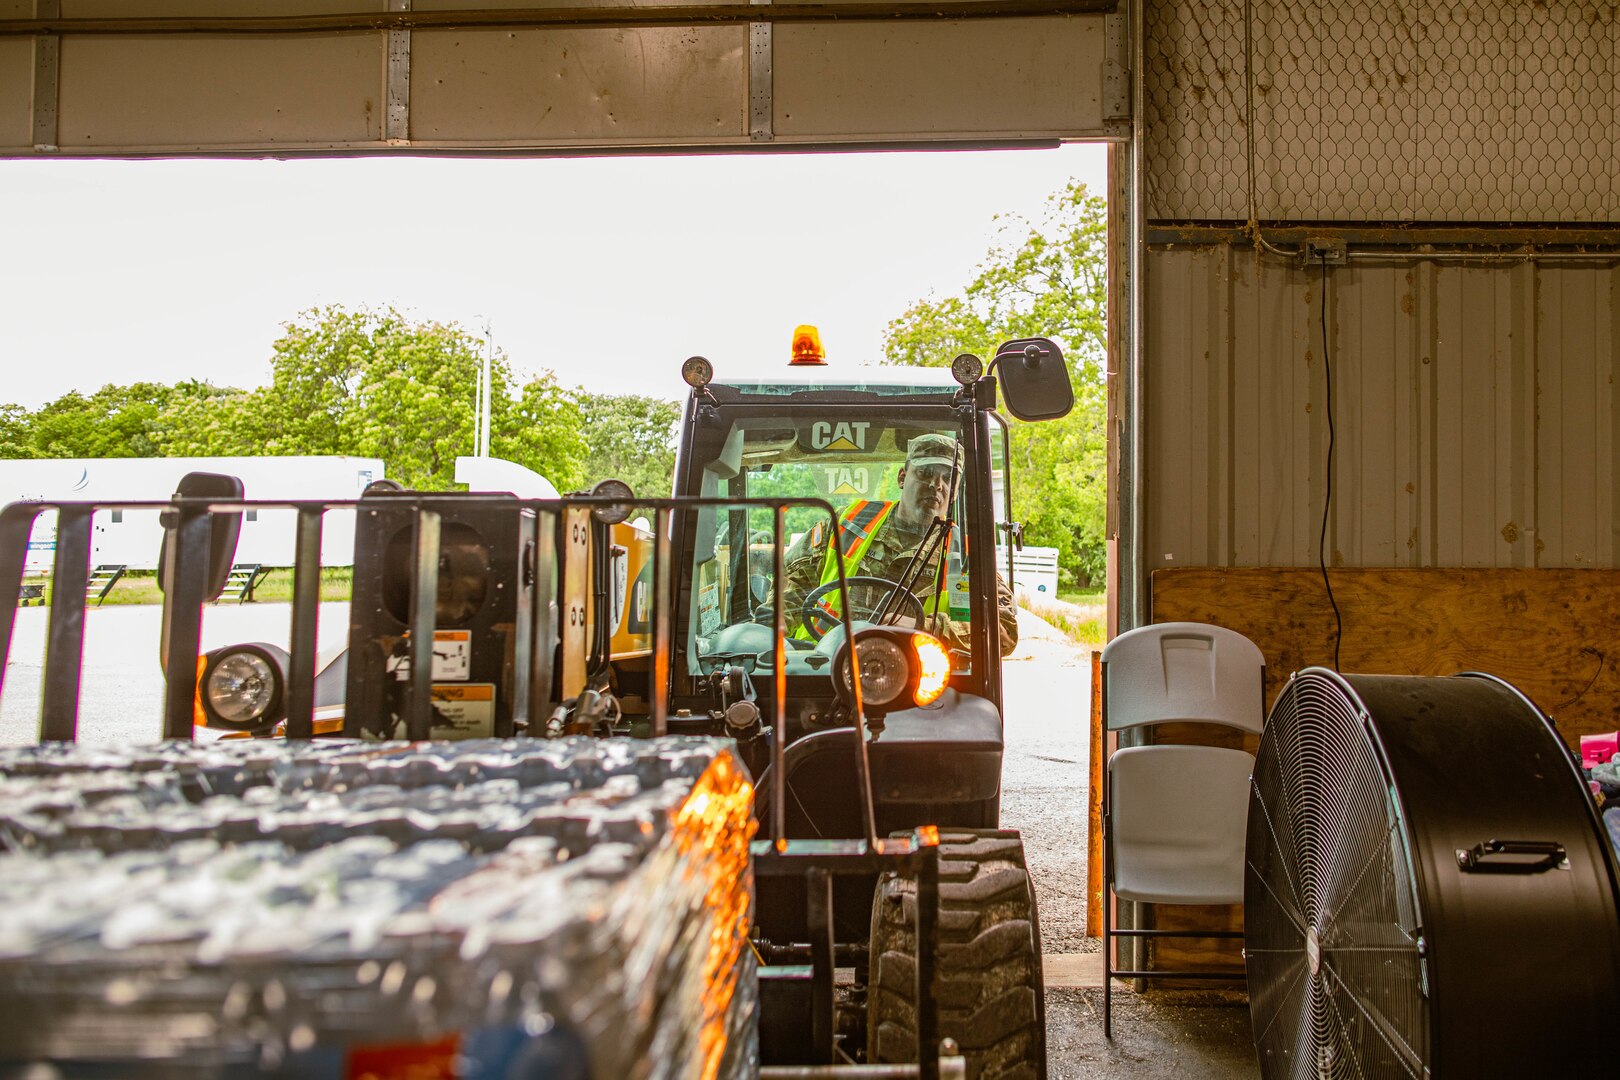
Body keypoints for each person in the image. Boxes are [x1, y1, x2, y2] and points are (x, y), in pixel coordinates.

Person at [782, 432, 1019, 657]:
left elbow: (1005, 631)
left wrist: (924, 627)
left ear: (955, 490)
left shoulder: (966, 555)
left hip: (919, 681)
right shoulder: (848, 523)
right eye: (925, 473)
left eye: (948, 478)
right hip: (824, 667)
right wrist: (770, 630)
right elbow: (788, 594)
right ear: (902, 477)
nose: (937, 485)